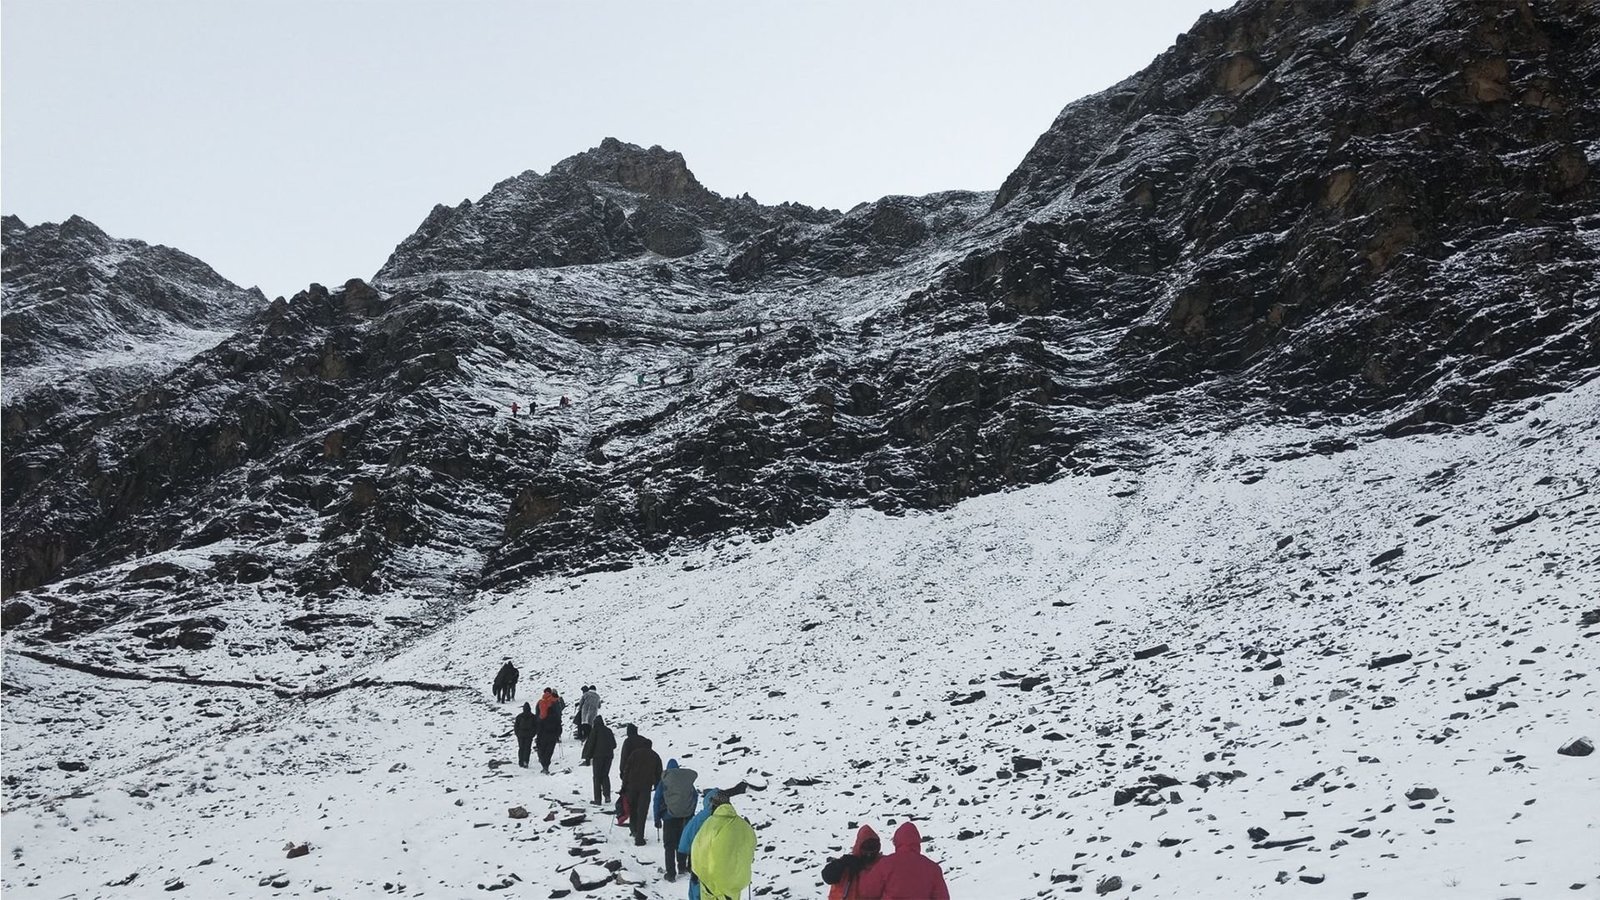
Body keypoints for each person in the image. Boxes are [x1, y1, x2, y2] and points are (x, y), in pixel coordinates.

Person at [855, 822, 948, 900]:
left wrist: (862, 871)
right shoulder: (933, 868)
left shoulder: (886, 863)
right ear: (918, 842)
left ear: (897, 841)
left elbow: (867, 891)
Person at [690, 793, 756, 900]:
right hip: (734, 882)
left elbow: (698, 849)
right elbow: (750, 846)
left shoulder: (711, 824)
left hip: (711, 883)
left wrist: (695, 872)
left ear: (715, 806)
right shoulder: (742, 824)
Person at [654, 759, 700, 881]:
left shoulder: (665, 780)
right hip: (685, 816)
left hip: (669, 817)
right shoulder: (685, 781)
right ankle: (682, 867)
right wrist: (690, 811)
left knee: (669, 845)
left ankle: (670, 874)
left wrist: (657, 818)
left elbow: (657, 799)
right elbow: (694, 796)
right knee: (682, 842)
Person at [619, 733, 662, 846]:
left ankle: (633, 830)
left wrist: (624, 786)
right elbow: (659, 774)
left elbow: (626, 770)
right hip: (645, 787)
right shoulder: (655, 756)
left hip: (631, 786)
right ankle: (640, 837)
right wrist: (657, 787)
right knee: (642, 811)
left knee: (633, 808)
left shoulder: (634, 754)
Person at [678, 788, 721, 900]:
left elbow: (687, 834)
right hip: (721, 861)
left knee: (697, 886)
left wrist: (682, 856)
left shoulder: (702, 816)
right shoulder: (730, 818)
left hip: (698, 859)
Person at [821, 825, 882, 899]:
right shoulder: (848, 863)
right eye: (866, 847)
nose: (869, 853)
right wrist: (841, 864)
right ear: (859, 846)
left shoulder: (883, 865)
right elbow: (828, 877)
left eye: (873, 847)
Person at [582, 714, 616, 805]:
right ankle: (607, 796)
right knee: (605, 775)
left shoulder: (595, 731)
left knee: (597, 777)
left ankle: (598, 799)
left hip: (598, 757)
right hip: (609, 757)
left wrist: (587, 757)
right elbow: (614, 745)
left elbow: (591, 745)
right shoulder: (609, 731)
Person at [535, 698, 562, 773]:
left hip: (543, 736)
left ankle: (544, 765)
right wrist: (558, 735)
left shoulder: (544, 718)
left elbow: (539, 728)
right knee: (549, 752)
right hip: (552, 737)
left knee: (542, 750)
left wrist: (538, 736)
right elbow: (559, 728)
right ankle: (546, 766)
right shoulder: (556, 718)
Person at [513, 702, 536, 769]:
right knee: (527, 748)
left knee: (521, 748)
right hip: (529, 735)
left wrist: (517, 734)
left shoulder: (519, 716)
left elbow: (516, 726)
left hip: (521, 734)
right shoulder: (533, 716)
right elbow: (535, 726)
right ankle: (526, 761)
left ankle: (520, 761)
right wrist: (533, 734)